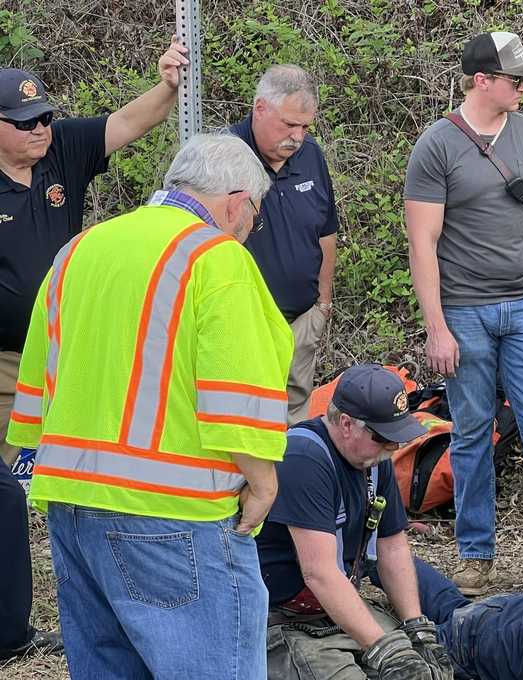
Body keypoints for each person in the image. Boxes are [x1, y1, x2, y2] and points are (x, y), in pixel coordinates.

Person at [5, 133, 293, 678]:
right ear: (237, 202)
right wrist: (263, 482)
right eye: (254, 216)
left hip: (70, 503)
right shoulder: (216, 258)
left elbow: (39, 374)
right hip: (174, 513)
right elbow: (235, 395)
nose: (248, 230)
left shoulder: (79, 248)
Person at [0, 39, 188, 661]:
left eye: (45, 117)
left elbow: (129, 122)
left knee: (67, 485)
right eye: (24, 122)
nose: (40, 129)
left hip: (66, 355)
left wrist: (166, 86)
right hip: (5, 361)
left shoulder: (62, 150)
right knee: (6, 488)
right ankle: (11, 626)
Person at [404, 31, 523, 594]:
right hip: (464, 312)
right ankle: (475, 555)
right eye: (516, 79)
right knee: (470, 434)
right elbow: (422, 243)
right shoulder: (437, 145)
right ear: (482, 80)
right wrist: (437, 328)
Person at [258, 363, 452, 680]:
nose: (393, 447)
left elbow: (392, 548)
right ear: (347, 424)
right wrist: (385, 650)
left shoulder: (374, 458)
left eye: (396, 437)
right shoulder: (303, 457)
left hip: (335, 610)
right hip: (284, 621)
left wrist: (416, 627)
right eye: (383, 437)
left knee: (427, 671)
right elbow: (320, 573)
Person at [231, 65, 339, 425]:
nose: (297, 137)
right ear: (260, 108)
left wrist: (323, 303)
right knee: (245, 420)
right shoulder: (225, 158)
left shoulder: (311, 156)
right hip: (245, 326)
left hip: (302, 321)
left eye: (305, 127)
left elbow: (326, 229)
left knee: (293, 419)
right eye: (289, 125)